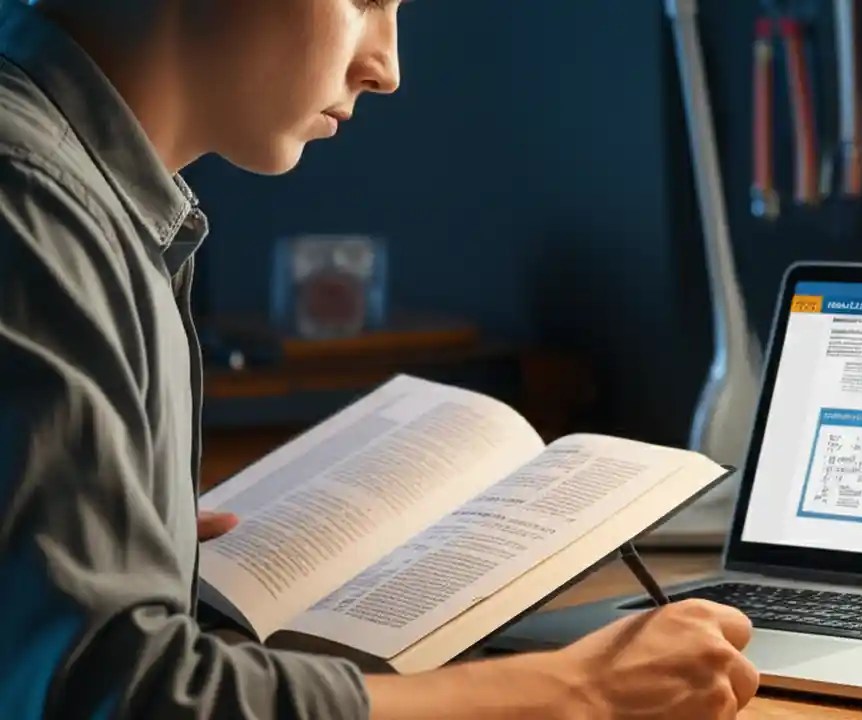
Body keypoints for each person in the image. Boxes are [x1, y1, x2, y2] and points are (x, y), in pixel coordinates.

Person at [0, 0, 760, 717]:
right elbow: (119, 697)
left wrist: (123, 538)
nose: (386, 68)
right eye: (364, 1)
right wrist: (577, 691)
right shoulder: (30, 206)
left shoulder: (90, 204)